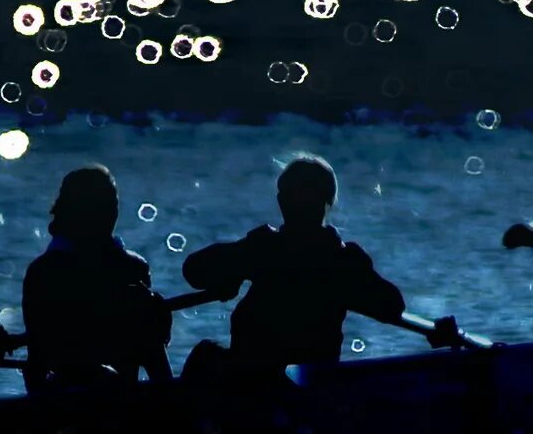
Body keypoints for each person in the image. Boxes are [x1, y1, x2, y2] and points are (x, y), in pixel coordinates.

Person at [180, 155, 459, 378]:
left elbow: (194, 270)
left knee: (205, 355)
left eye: (300, 195)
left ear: (282, 202)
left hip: (264, 383)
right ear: (329, 203)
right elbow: (391, 306)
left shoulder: (264, 248)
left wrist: (230, 272)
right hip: (301, 383)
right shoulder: (343, 261)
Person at [22, 164, 171, 391]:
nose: (110, 213)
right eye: (100, 206)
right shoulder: (45, 273)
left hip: (123, 396)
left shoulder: (134, 267)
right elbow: (39, 361)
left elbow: (151, 349)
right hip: (70, 399)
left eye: (112, 205)